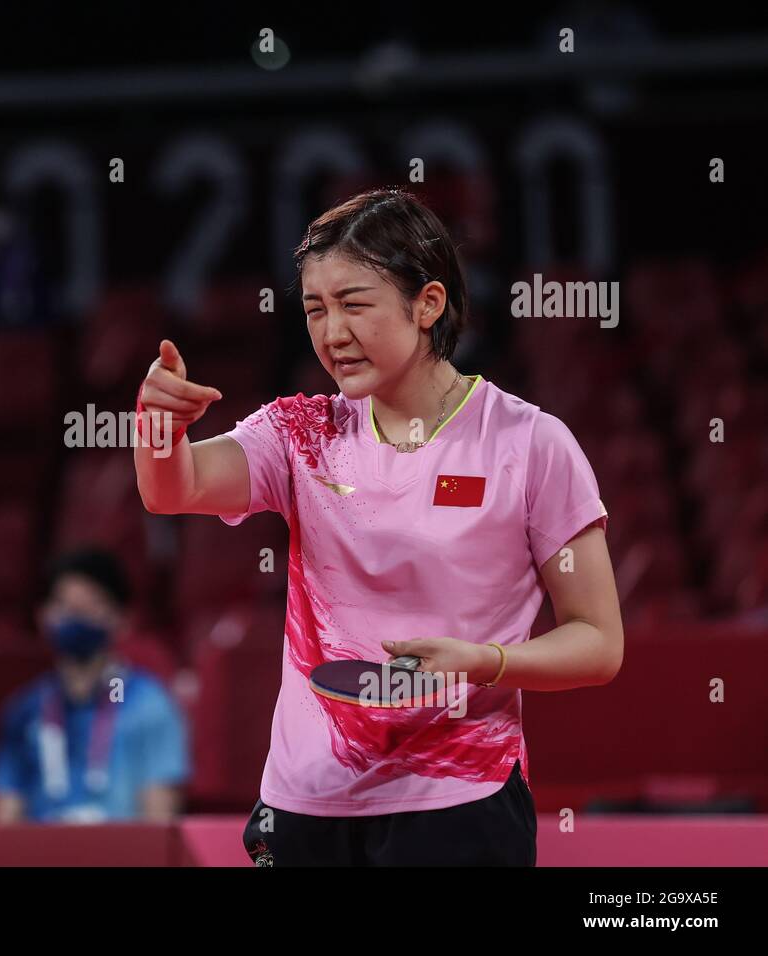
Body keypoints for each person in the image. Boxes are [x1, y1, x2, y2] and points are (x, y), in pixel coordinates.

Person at [133, 187, 624, 866]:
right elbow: (176, 489)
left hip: (457, 799)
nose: (333, 333)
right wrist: (159, 431)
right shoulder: (300, 432)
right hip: (306, 801)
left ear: (428, 304)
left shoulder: (528, 442)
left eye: (355, 304)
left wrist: (488, 662)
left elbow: (598, 643)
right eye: (316, 309)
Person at [0, 548, 189, 824]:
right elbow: (4, 819)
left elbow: (160, 820)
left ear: (122, 619)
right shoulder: (24, 709)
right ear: (42, 617)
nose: (76, 617)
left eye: (90, 605)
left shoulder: (151, 704)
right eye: (65, 606)